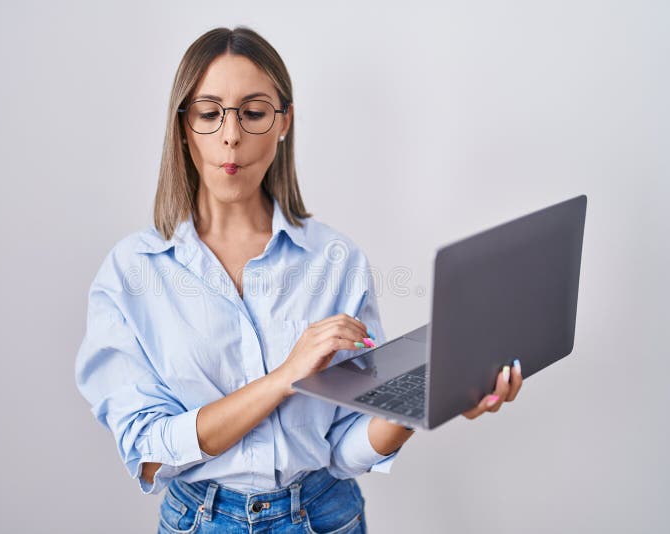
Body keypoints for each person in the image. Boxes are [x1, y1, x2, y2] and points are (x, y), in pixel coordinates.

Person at [75, 26, 523, 534]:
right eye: (208, 113)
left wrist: (424, 402)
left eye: (254, 112)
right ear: (182, 126)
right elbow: (149, 455)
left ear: (283, 122)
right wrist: (284, 378)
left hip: (326, 517)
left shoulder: (336, 261)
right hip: (199, 522)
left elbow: (343, 448)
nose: (231, 135)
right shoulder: (131, 273)